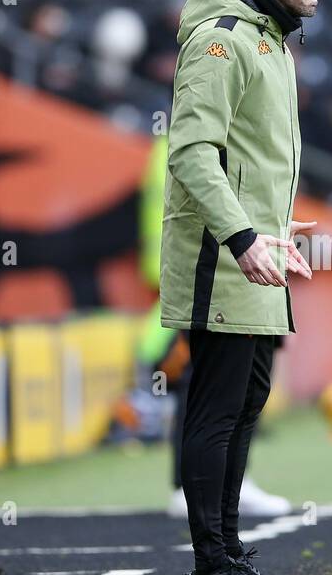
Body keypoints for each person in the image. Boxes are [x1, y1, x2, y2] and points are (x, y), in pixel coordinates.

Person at [161, 0, 325, 575]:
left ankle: (226, 557)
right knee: (217, 410)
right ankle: (211, 570)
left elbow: (245, 158)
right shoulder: (223, 38)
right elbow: (192, 152)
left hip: (256, 255)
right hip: (222, 259)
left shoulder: (269, 41)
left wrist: (275, 232)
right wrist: (241, 238)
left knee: (247, 405)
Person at [116, 134, 293, 518]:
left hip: (217, 267)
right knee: (201, 382)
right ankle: (188, 488)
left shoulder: (199, 136)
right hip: (200, 271)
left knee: (232, 383)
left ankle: (229, 482)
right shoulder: (192, 139)